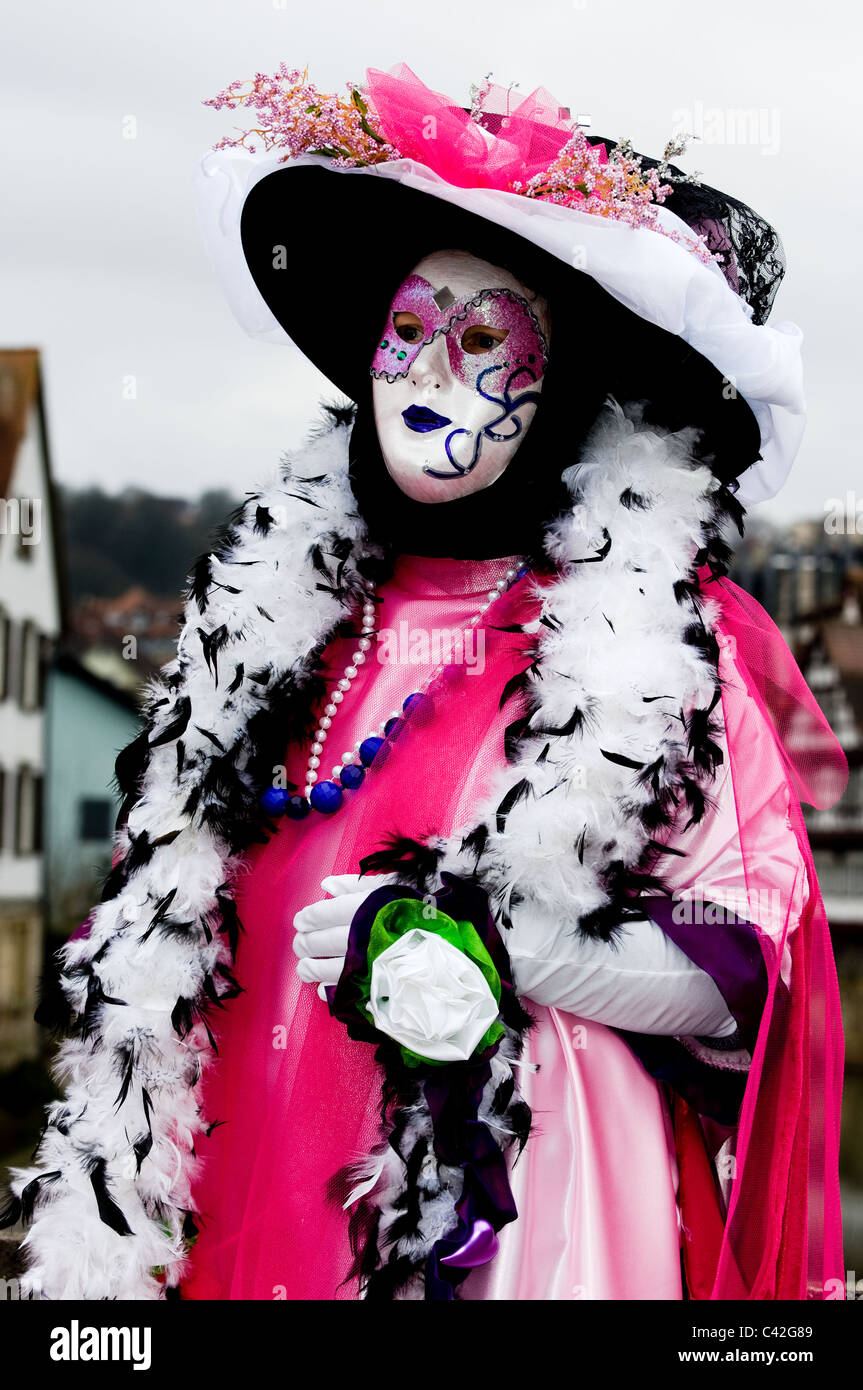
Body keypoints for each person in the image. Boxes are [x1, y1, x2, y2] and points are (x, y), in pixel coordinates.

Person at [6, 63, 848, 1302]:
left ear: (561, 383)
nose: (430, 372)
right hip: (243, 1181)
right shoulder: (273, 628)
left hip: (515, 1214)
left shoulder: (660, 644)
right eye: (405, 329)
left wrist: (491, 941)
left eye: (481, 338)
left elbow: (747, 979)